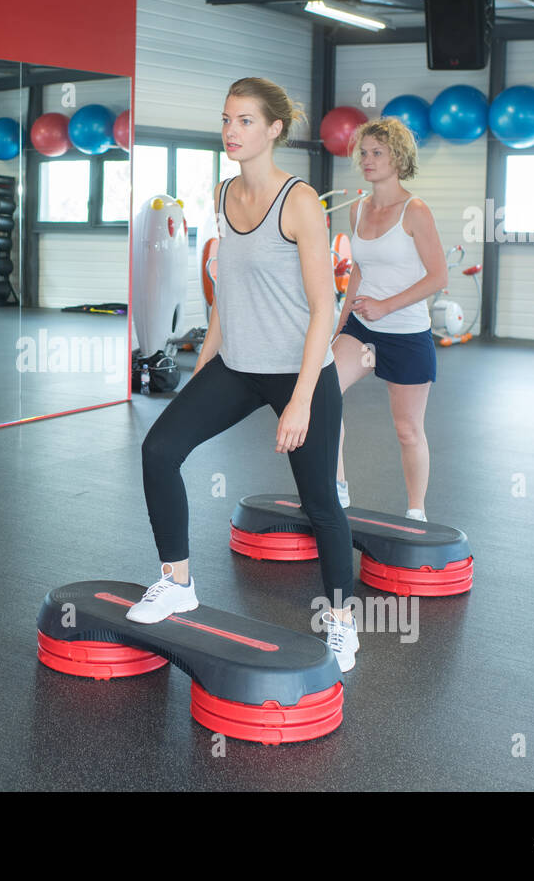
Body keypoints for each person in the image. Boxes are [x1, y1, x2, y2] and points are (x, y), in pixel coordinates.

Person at [127, 77, 359, 672]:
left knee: (321, 505)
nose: (232, 131)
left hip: (298, 370)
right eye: (227, 119)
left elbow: (322, 309)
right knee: (160, 449)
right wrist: (205, 362)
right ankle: (177, 581)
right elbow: (227, 288)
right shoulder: (224, 192)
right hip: (238, 364)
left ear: (275, 129)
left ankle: (340, 621)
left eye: (246, 121)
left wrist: (302, 400)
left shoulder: (300, 201)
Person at [332, 118, 448, 521]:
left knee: (408, 430)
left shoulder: (415, 211)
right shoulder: (359, 210)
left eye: (377, 153)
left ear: (397, 158)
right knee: (322, 390)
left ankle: (416, 511)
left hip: (406, 334)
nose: (367, 160)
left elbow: (439, 277)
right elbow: (359, 272)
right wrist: (341, 321)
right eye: (363, 153)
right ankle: (337, 488)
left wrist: (387, 306)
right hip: (363, 331)